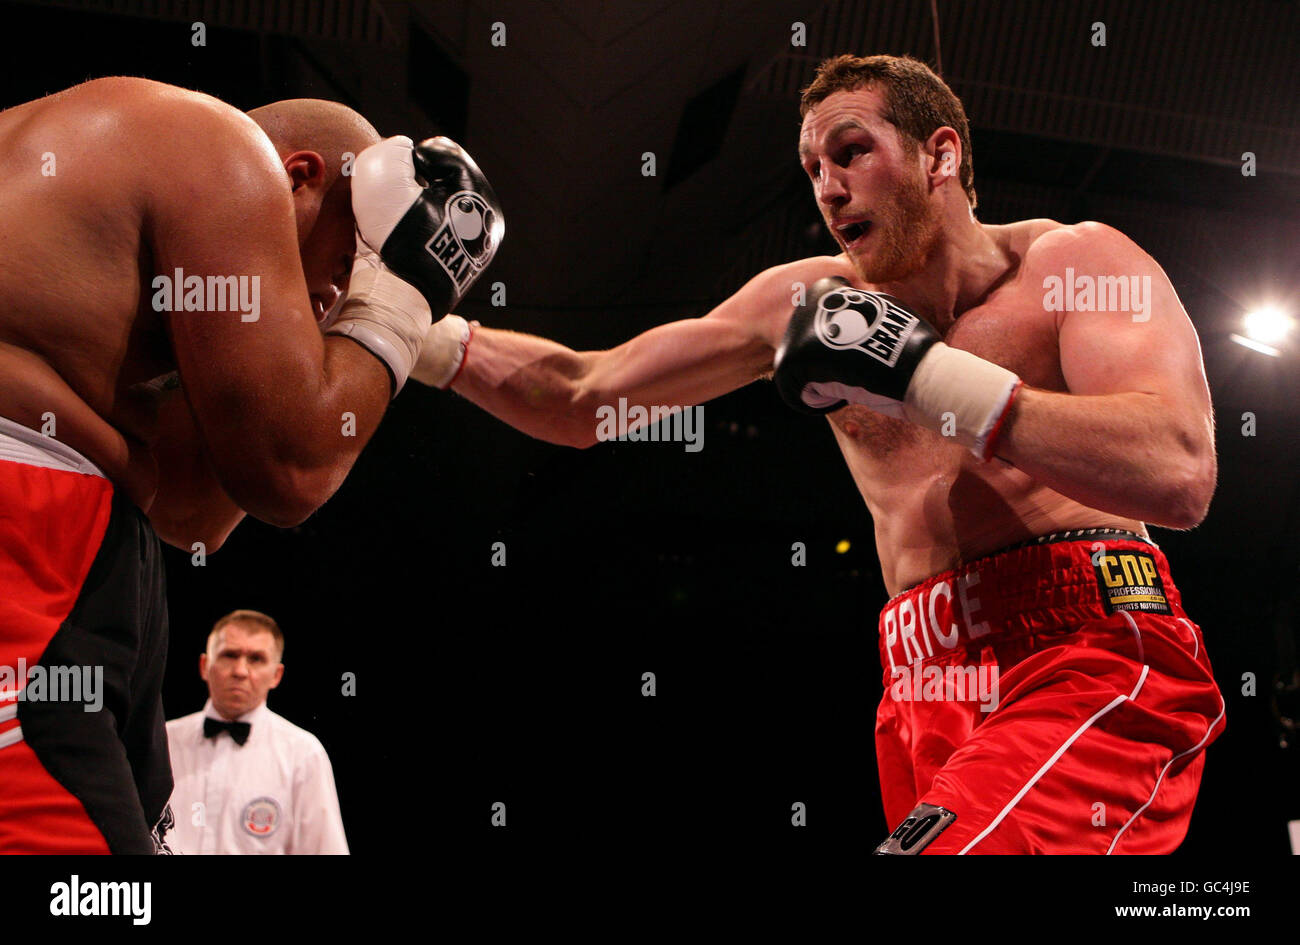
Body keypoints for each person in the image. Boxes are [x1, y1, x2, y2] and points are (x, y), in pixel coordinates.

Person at [413, 54, 1224, 853]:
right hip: (921, 681)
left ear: (940, 154)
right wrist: (406, 327)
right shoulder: (807, 303)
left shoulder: (1073, 267)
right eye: (812, 168)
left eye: (851, 152)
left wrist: (928, 377)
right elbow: (585, 397)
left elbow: (1179, 471)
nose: (828, 188)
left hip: (1086, 649)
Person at [0, 76, 501, 853]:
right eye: (345, 261)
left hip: (66, 541)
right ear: (299, 176)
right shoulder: (219, 145)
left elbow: (194, 509)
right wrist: (401, 295)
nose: (333, 302)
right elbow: (290, 467)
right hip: (24, 526)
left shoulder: (94, 244)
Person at [166, 610, 347, 854]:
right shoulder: (162, 741)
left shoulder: (303, 754)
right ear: (204, 665)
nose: (240, 671)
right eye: (229, 655)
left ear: (276, 675)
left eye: (256, 659)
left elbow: (325, 850)